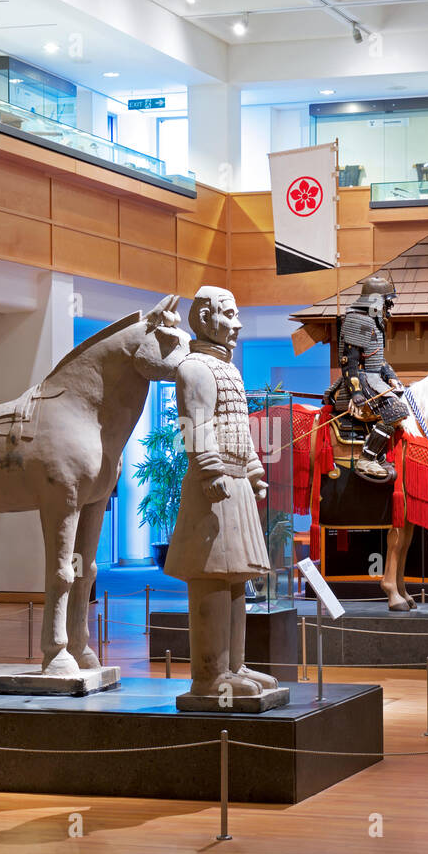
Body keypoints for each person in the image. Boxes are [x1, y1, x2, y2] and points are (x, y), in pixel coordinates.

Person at [164, 286, 281, 706]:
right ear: (206, 318)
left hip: (235, 485)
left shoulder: (228, 369)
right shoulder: (194, 368)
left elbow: (239, 429)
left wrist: (253, 471)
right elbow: (196, 426)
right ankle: (209, 676)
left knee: (236, 579)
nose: (238, 323)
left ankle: (233, 666)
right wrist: (210, 470)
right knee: (212, 578)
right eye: (230, 315)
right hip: (211, 486)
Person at [325, 275, 410, 482]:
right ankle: (367, 458)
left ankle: (379, 455)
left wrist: (391, 377)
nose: (389, 306)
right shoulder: (359, 321)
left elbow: (377, 359)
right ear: (375, 301)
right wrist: (355, 393)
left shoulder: (373, 321)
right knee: (397, 411)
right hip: (360, 380)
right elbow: (350, 363)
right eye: (387, 301)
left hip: (373, 378)